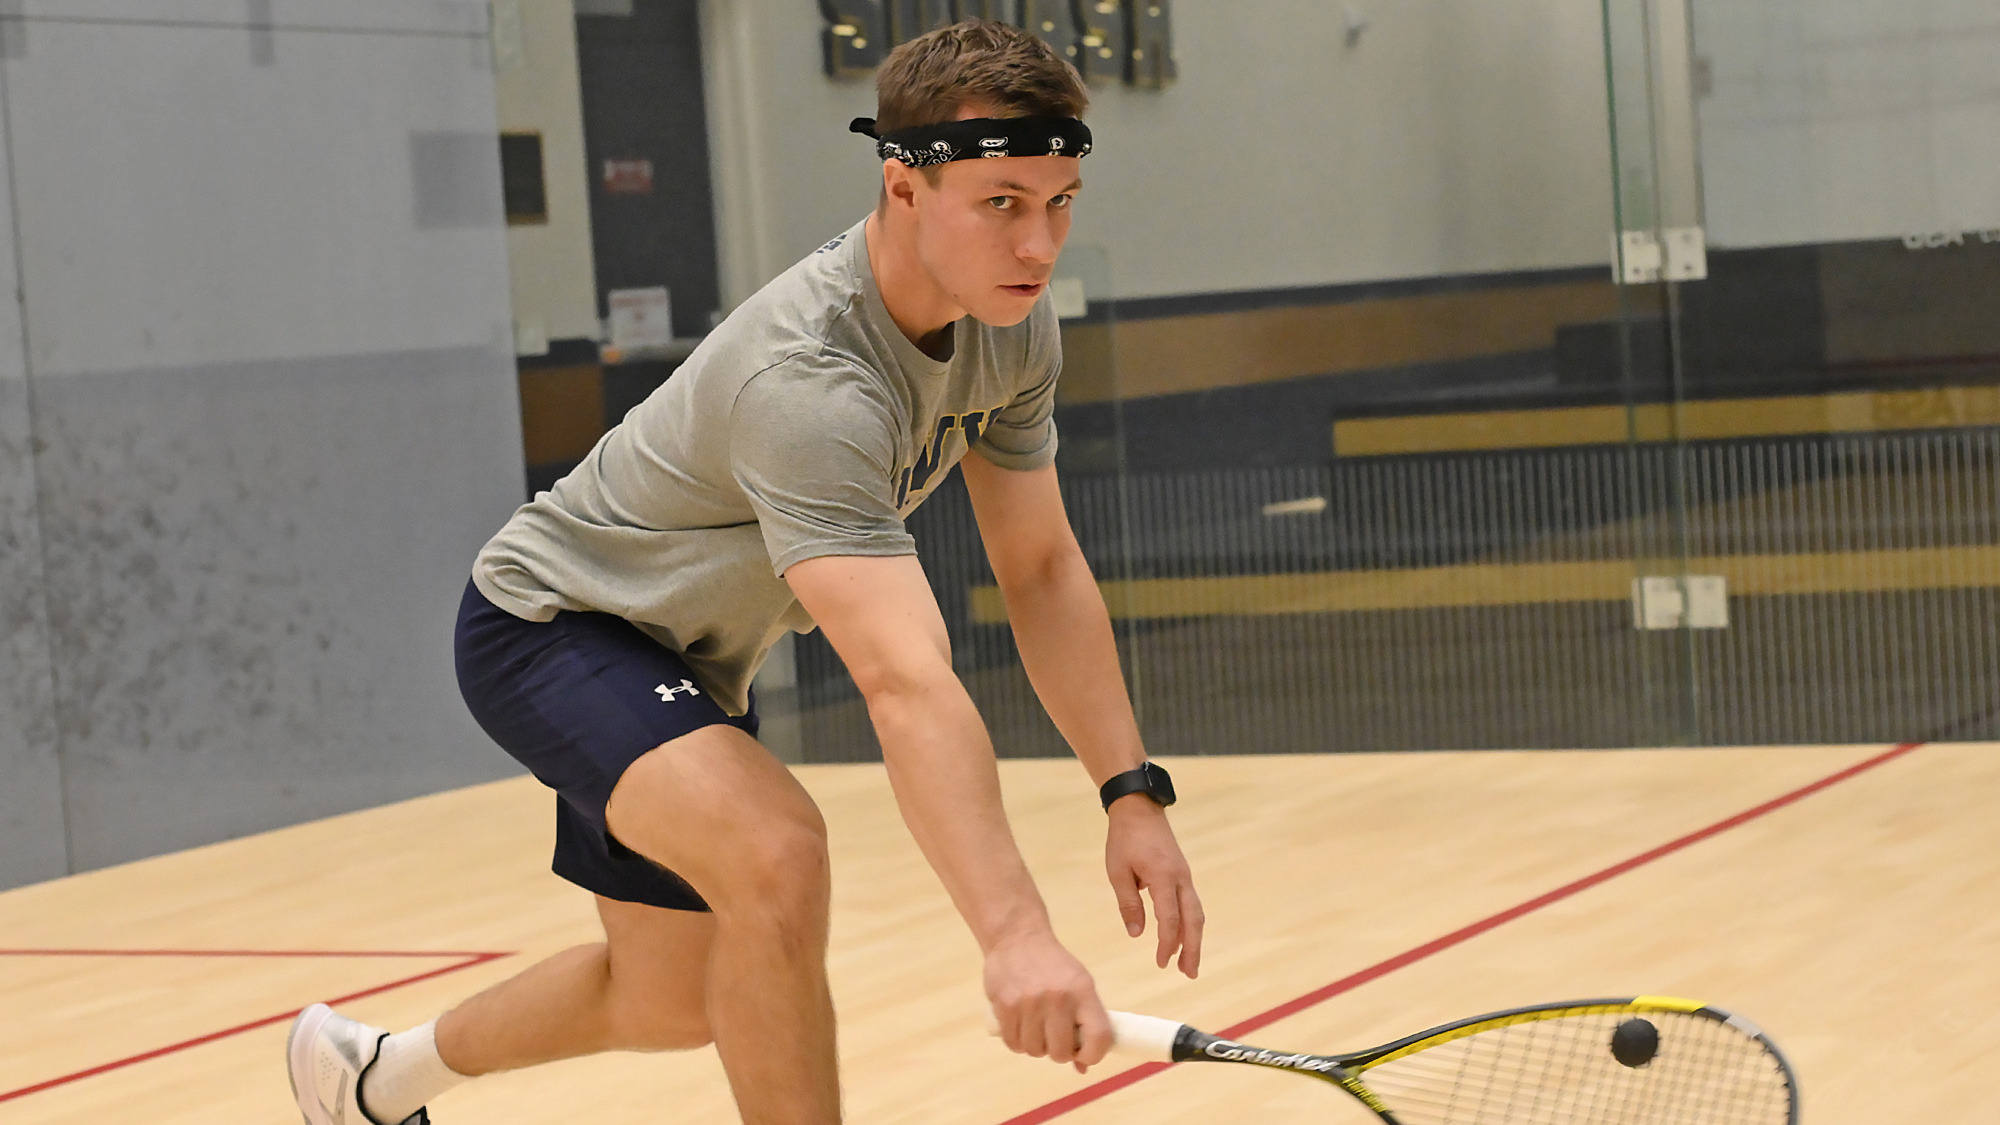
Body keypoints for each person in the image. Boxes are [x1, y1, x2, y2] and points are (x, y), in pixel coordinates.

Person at [286, 18, 1203, 1125]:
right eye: (1000, 202)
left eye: (1057, 204)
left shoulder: (1011, 330)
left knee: (669, 994)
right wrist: (1012, 935)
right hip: (553, 628)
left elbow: (1043, 568)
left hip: (690, 664)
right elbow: (904, 679)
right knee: (777, 851)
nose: (1037, 245)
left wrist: (1128, 790)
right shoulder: (808, 383)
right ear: (904, 190)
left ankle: (372, 1077)